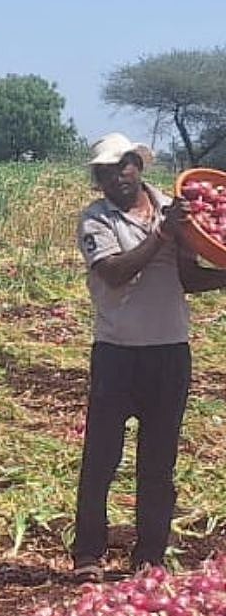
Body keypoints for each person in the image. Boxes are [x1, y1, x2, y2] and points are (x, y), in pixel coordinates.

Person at [73, 133, 226, 580]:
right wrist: (163, 233)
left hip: (170, 352)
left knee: (158, 463)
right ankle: (88, 555)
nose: (116, 176)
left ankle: (150, 556)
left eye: (123, 165)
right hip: (117, 354)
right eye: (104, 171)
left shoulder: (176, 210)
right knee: (101, 457)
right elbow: (116, 273)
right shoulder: (95, 221)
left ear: (138, 165)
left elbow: (187, 279)